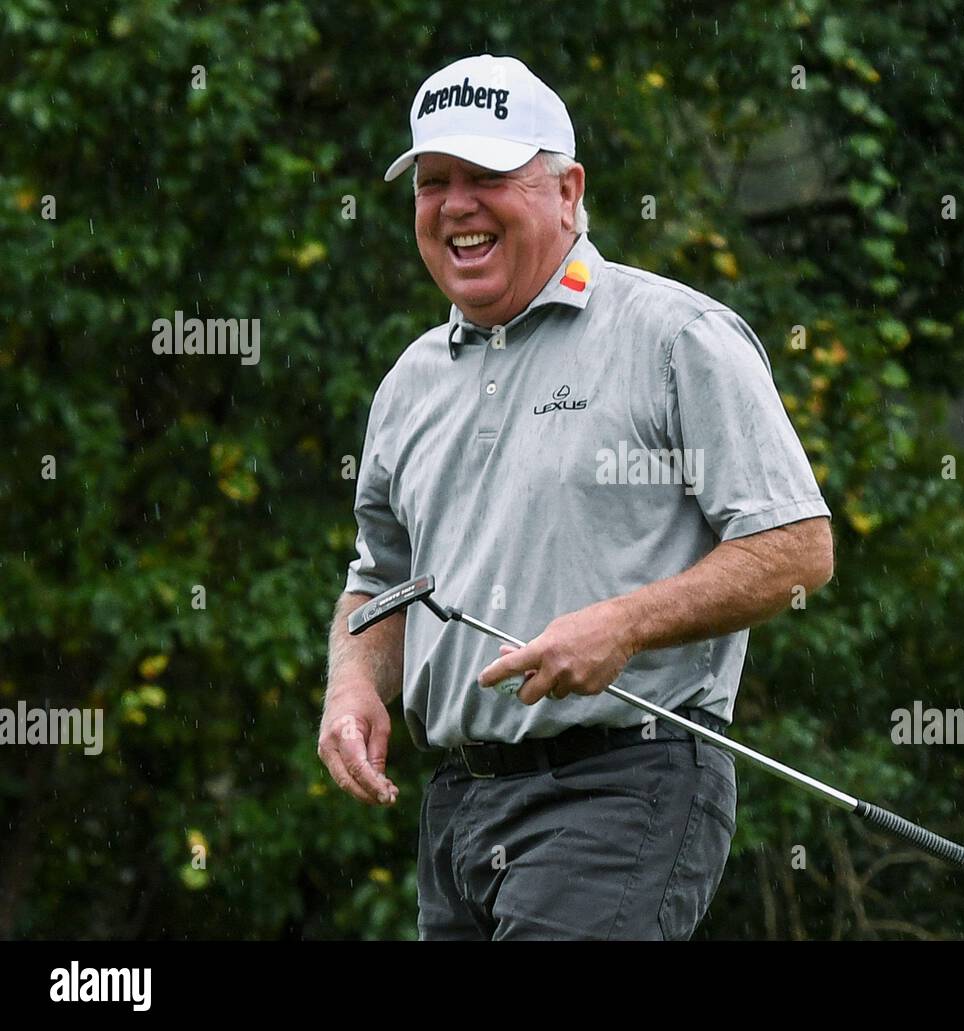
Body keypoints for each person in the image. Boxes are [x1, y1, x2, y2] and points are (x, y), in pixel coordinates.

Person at [318, 53, 834, 940]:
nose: (456, 205)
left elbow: (796, 548)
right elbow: (380, 584)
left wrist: (623, 624)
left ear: (567, 190)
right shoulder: (408, 383)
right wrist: (353, 682)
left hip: (621, 785)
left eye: (488, 176)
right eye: (434, 182)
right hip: (457, 806)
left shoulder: (675, 336)